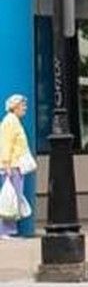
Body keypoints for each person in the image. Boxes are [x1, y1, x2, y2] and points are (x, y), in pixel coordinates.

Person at [0, 94, 33, 238]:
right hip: (12, 165)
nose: (25, 108)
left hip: (15, 165)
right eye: (23, 105)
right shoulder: (10, 122)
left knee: (13, 198)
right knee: (11, 198)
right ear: (15, 107)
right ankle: (5, 230)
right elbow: (6, 144)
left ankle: (9, 230)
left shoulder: (13, 121)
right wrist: (6, 164)